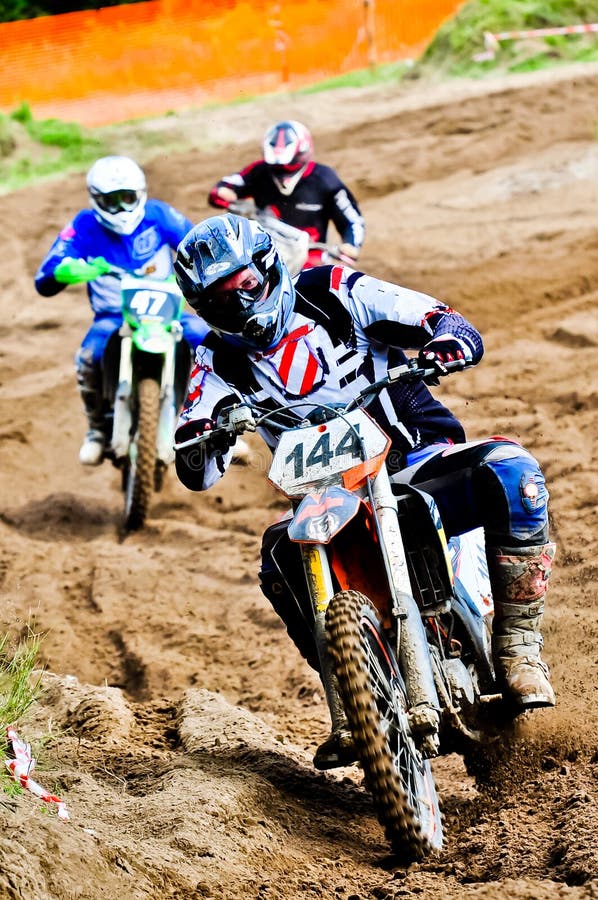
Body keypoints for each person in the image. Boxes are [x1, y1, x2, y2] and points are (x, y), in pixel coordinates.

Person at [173, 213, 556, 768]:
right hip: (329, 499)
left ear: (268, 268)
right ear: (205, 309)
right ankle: (353, 704)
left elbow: (434, 316)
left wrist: (447, 340)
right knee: (278, 556)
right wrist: (198, 437)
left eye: (247, 286)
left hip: (417, 462)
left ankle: (519, 649)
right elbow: (197, 457)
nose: (242, 305)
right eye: (223, 300)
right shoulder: (215, 358)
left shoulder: (334, 290)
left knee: (513, 471)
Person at [34, 155, 250, 466]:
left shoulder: (158, 215)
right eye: (112, 201)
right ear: (96, 199)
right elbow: (48, 272)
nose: (121, 208)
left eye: (127, 198)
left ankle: (222, 423)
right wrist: (69, 269)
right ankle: (97, 429)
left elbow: (197, 244)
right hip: (114, 316)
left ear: (140, 193)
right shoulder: (84, 225)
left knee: (211, 342)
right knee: (89, 356)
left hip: (167, 311)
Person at [208, 120, 365, 268]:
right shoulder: (259, 171)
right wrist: (223, 193)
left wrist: (352, 244)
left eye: (288, 165)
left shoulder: (325, 179)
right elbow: (223, 188)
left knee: (318, 283)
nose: (282, 173)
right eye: (277, 167)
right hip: (265, 252)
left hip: (311, 257)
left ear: (302, 153)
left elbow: (352, 220)